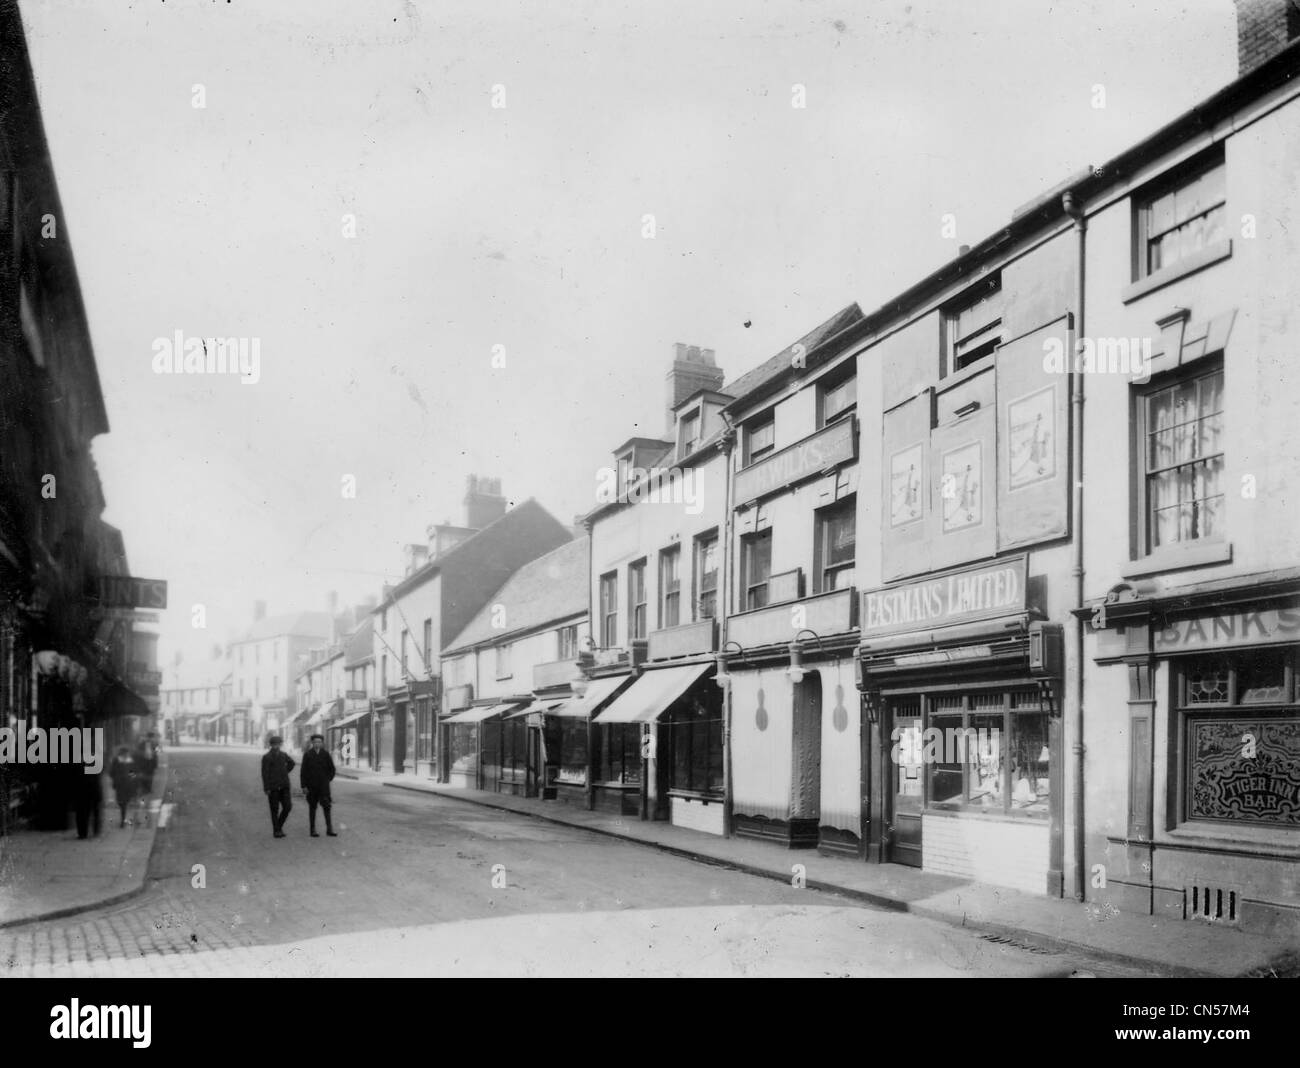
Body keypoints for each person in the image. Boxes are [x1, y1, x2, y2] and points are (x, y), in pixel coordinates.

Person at [300, 733, 337, 837]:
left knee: (327, 807)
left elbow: (332, 769)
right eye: (315, 742)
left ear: (322, 743)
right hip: (312, 787)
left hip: (323, 787)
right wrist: (304, 786)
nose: (317, 743)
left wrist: (327, 780)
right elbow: (303, 772)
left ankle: (329, 829)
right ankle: (313, 830)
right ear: (312, 743)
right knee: (312, 807)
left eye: (319, 742)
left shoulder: (326, 754)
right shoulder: (307, 755)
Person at [261, 734, 295, 838]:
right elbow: (265, 774)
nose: (276, 746)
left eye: (278, 744)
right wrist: (266, 788)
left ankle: (278, 827)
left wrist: (285, 772)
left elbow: (292, 763)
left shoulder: (283, 755)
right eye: (274, 744)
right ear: (271, 745)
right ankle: (276, 831)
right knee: (274, 809)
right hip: (273, 787)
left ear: (280, 745)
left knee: (288, 807)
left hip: (284, 786)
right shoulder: (266, 757)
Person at [133, 734, 158, 827]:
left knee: (139, 797)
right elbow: (155, 763)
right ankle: (147, 821)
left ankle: (138, 819)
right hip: (147, 776)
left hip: (140, 775)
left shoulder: (137, 750)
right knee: (146, 797)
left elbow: (133, 763)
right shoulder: (152, 749)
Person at [109, 747, 136, 828]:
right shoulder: (129, 760)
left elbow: (111, 772)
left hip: (121, 785)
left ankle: (122, 819)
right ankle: (123, 818)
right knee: (124, 802)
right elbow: (132, 772)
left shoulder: (116, 760)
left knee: (122, 802)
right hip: (125, 784)